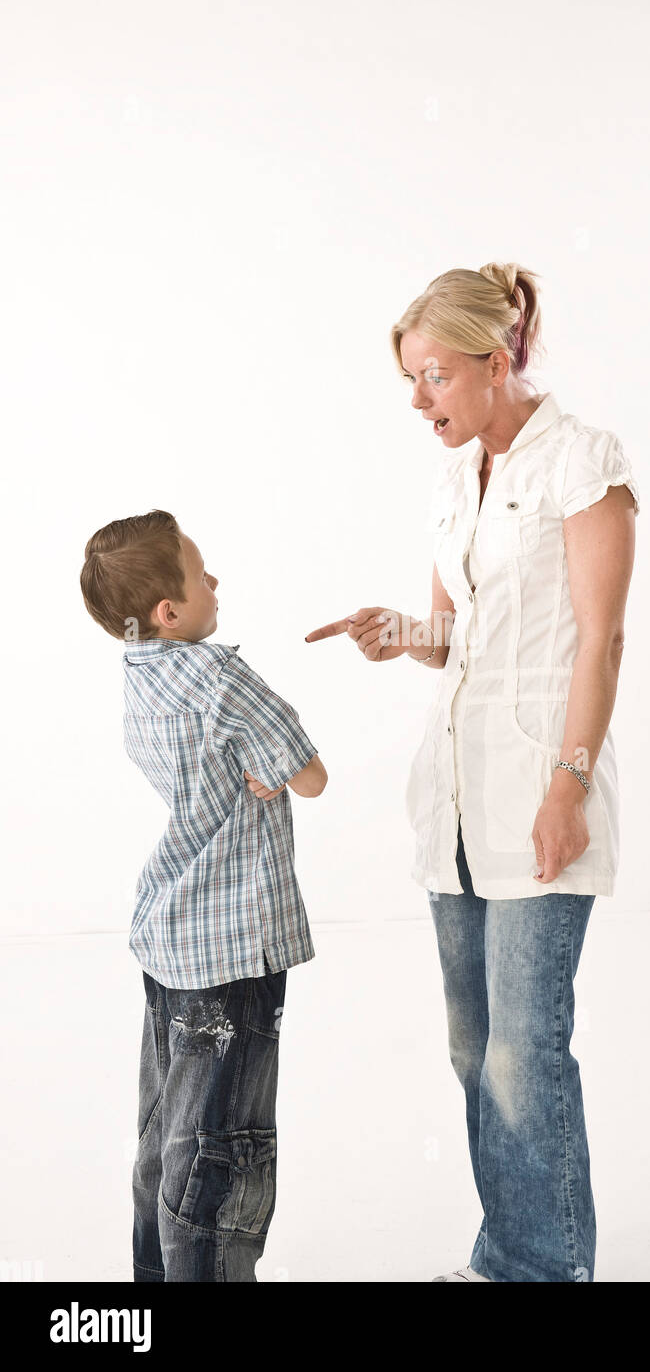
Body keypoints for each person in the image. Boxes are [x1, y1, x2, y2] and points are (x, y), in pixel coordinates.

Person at [305, 261, 639, 1282]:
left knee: (522, 1054)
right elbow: (456, 638)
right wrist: (394, 629)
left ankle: (544, 1270)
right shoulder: (456, 480)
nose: (417, 400)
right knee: (473, 1050)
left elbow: (600, 639)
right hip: (452, 804)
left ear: (496, 363)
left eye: (435, 376)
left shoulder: (581, 462)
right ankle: (512, 1257)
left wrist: (567, 784)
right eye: (410, 379)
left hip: (542, 794)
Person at [80, 510, 326, 1281]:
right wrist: (274, 768)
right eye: (200, 571)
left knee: (165, 1137)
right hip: (236, 947)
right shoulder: (220, 678)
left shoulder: (139, 669)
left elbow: (214, 768)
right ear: (169, 612)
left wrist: (251, 766)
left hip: (171, 935)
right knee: (221, 1150)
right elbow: (311, 775)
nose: (214, 580)